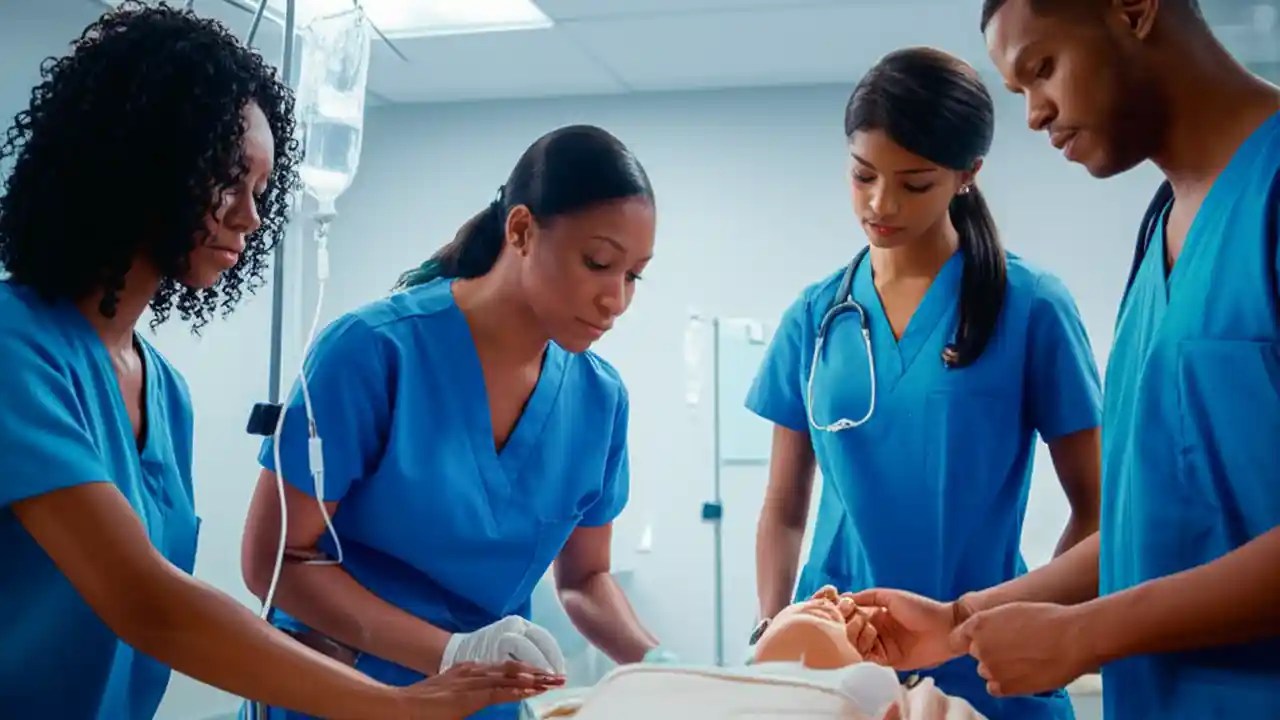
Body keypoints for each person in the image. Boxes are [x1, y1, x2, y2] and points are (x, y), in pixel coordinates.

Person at [0, 3, 559, 719]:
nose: (250, 216)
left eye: (261, 190)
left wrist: (316, 659)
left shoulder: (164, 392)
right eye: (228, 179)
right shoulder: (17, 351)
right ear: (140, 162)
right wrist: (398, 704)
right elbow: (146, 602)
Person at [851, 1, 1280, 717]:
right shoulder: (1162, 232)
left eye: (1042, 69)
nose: (1035, 115)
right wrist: (960, 620)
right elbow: (1154, 525)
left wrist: (1086, 632)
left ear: (1134, 9)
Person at [240, 123, 668, 719]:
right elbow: (273, 560)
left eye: (633, 275)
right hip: (342, 697)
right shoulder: (373, 352)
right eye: (598, 263)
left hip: (485, 704)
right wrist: (450, 653)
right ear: (520, 230)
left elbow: (585, 578)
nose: (616, 299)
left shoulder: (600, 399)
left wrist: (661, 666)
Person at [745, 47, 1103, 720]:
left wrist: (1029, 620)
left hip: (987, 662)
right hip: (838, 668)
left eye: (914, 183)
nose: (881, 204)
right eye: (862, 176)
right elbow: (784, 504)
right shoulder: (816, 317)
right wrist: (776, 631)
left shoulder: (1031, 307)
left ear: (967, 175)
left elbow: (1099, 507)